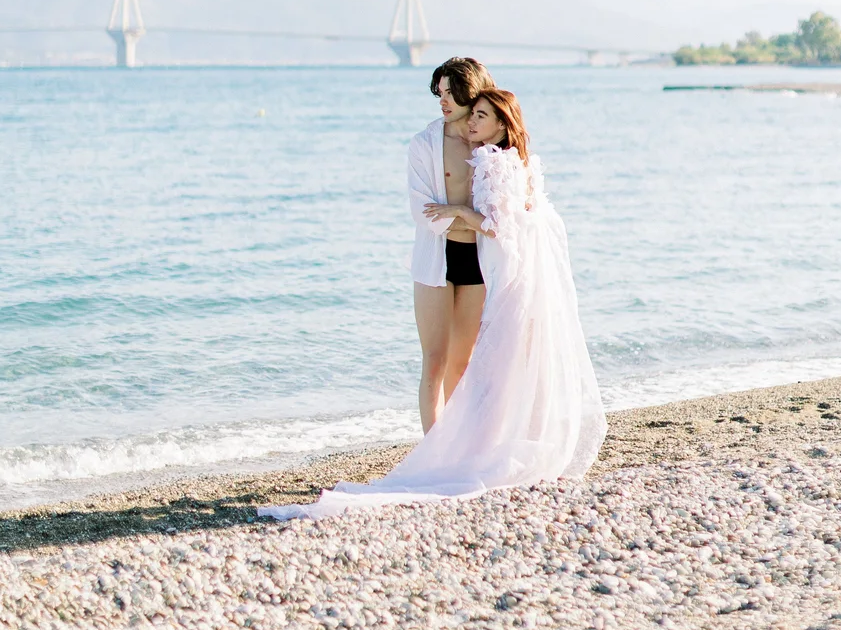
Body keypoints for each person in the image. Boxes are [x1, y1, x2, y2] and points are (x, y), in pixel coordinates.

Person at [260, 88, 606, 522]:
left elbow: (498, 225)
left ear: (501, 123)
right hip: (514, 275)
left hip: (502, 276)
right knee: (505, 368)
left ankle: (476, 453)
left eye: (481, 115)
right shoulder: (517, 159)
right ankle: (501, 447)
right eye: (471, 114)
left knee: (491, 369)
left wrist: (457, 210)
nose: (472, 121)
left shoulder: (494, 161)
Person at [407, 56, 496, 432]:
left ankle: (457, 442)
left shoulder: (491, 143)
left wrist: (459, 212)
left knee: (462, 362)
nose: (443, 101)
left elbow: (501, 219)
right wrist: (470, 219)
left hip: (477, 261)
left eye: (451, 92)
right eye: (439, 93)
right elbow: (423, 212)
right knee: (435, 360)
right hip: (436, 259)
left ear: (470, 92)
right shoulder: (424, 144)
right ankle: (432, 449)